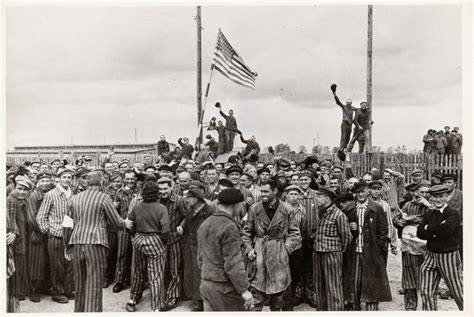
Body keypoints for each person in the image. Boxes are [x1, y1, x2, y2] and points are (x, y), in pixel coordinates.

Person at [63, 171, 133, 312]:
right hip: (96, 243)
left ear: (86, 183)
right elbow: (116, 221)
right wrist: (125, 223)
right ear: (101, 183)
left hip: (76, 243)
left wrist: (67, 246)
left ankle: (80, 312)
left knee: (80, 283)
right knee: (94, 283)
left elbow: (66, 225)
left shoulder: (74, 198)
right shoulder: (104, 198)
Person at [242, 179, 301, 311]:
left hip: (278, 254)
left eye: (266, 191)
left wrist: (286, 249)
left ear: (275, 191)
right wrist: (249, 249)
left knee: (278, 296)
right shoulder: (254, 208)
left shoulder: (287, 209)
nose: (263, 194)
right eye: (261, 191)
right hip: (259, 254)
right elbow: (246, 232)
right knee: (257, 295)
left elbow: (295, 233)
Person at [197, 187, 255, 311]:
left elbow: (200, 258)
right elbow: (233, 264)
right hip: (224, 288)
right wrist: (244, 290)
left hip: (206, 283)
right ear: (236, 205)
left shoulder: (205, 223)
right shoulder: (229, 226)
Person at [342, 181, 392, 311]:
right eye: (358, 192)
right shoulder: (349, 208)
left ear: (367, 192)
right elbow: (342, 230)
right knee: (355, 282)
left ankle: (372, 310)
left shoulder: (377, 208)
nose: (360, 194)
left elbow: (383, 231)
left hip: (371, 251)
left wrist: (380, 248)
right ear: (354, 193)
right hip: (354, 251)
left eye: (363, 191)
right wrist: (349, 227)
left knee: (371, 283)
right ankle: (355, 308)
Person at [125, 181, 170, 312]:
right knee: (156, 275)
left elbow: (129, 223)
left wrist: (134, 235)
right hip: (155, 239)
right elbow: (165, 230)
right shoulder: (161, 208)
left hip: (139, 238)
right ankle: (155, 307)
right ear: (157, 193)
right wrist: (163, 241)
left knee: (137, 271)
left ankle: (132, 300)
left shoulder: (137, 206)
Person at [417, 185, 463, 311]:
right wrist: (436, 228)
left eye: (441, 196)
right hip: (430, 255)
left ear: (447, 197)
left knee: (458, 291)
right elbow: (419, 233)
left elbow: (446, 231)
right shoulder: (429, 213)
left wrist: (428, 228)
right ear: (430, 198)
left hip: (448, 256)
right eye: (435, 197)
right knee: (426, 292)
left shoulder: (452, 213)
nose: (438, 200)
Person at [36, 169, 75, 304]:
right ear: (58, 179)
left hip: (71, 234)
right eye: (64, 177)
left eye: (69, 177)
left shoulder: (73, 193)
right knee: (57, 266)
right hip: (56, 235)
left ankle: (68, 290)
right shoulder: (51, 195)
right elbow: (41, 217)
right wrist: (49, 231)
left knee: (69, 264)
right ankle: (57, 292)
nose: (67, 179)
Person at [393, 181, 431, 310]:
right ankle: (410, 308)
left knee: (427, 280)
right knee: (409, 279)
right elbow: (397, 219)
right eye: (422, 192)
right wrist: (399, 221)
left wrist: (427, 206)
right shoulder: (407, 205)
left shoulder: (433, 206)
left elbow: (437, 218)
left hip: (427, 249)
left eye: (427, 192)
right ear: (416, 193)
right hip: (409, 246)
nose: (424, 195)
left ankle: (428, 309)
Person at [313, 187, 351, 311]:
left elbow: (346, 237)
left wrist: (337, 251)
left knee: (333, 286)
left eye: (319, 197)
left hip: (332, 254)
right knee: (319, 285)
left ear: (327, 198)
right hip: (318, 252)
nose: (317, 199)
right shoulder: (319, 212)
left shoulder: (338, 214)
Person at [157, 177, 188, 311]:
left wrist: (182, 226)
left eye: (165, 188)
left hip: (175, 238)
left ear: (171, 188)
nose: (163, 191)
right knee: (163, 268)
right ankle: (165, 294)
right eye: (160, 189)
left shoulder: (179, 200)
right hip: (160, 239)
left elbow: (187, 215)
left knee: (175, 267)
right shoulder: (156, 200)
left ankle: (173, 297)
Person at [181, 188, 214, 311]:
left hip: (203, 247)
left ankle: (199, 301)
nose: (186, 200)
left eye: (188, 198)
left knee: (200, 274)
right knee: (190, 273)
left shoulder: (209, 212)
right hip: (190, 246)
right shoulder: (191, 210)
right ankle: (193, 297)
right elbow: (186, 221)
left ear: (195, 199)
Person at [26, 171, 53, 302]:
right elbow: (31, 218)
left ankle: (45, 287)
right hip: (37, 234)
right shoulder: (33, 196)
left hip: (48, 233)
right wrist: (44, 229)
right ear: (37, 183)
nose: (45, 183)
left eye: (47, 181)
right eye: (42, 181)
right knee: (36, 262)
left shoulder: (50, 194)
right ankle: (34, 290)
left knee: (47, 262)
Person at [7, 176, 35, 304]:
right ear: (15, 187)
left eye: (25, 190)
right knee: (17, 263)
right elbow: (11, 218)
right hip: (17, 238)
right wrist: (13, 231)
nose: (22, 192)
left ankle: (21, 291)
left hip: (23, 236)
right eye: (20, 188)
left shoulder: (24, 201)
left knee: (22, 263)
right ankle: (17, 292)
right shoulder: (12, 200)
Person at [113, 169, 140, 293]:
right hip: (123, 227)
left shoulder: (140, 191)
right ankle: (119, 281)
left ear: (135, 179)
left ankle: (137, 281)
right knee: (122, 254)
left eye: (132, 178)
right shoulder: (119, 192)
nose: (130, 181)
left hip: (138, 227)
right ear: (124, 179)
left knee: (137, 255)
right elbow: (115, 212)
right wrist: (122, 222)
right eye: (127, 179)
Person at [282, 185, 306, 310]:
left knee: (295, 274)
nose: (293, 196)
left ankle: (290, 298)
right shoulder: (281, 208)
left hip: (297, 246)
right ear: (286, 195)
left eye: (296, 194)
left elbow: (302, 227)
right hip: (283, 246)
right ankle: (285, 303)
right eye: (291, 194)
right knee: (284, 274)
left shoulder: (302, 209)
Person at [296, 171, 319, 307]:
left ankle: (310, 293)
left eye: (306, 180)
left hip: (311, 237)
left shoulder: (316, 195)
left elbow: (319, 215)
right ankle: (299, 293)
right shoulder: (293, 194)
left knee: (310, 266)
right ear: (298, 181)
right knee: (298, 265)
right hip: (297, 237)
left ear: (310, 181)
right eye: (301, 180)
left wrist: (315, 232)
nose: (304, 182)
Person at [368, 180, 398, 264]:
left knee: (381, 265)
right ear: (369, 190)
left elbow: (390, 224)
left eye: (378, 189)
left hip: (381, 239)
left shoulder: (385, 205)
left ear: (381, 190)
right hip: (368, 239)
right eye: (374, 189)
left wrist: (391, 243)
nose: (376, 191)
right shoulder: (366, 203)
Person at [441, 174, 463, 261]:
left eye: (449, 182)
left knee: (459, 252)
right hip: (442, 229)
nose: (446, 184)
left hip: (458, 229)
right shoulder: (439, 195)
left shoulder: (461, 196)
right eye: (444, 182)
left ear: (455, 184)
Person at [331, 83, 358, 151]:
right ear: (346, 103)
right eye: (347, 103)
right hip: (345, 123)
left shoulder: (352, 108)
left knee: (348, 138)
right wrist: (334, 93)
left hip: (350, 124)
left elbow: (359, 110)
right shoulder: (344, 107)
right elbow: (338, 102)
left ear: (351, 103)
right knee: (343, 136)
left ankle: (344, 148)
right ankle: (341, 148)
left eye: (350, 103)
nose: (348, 104)